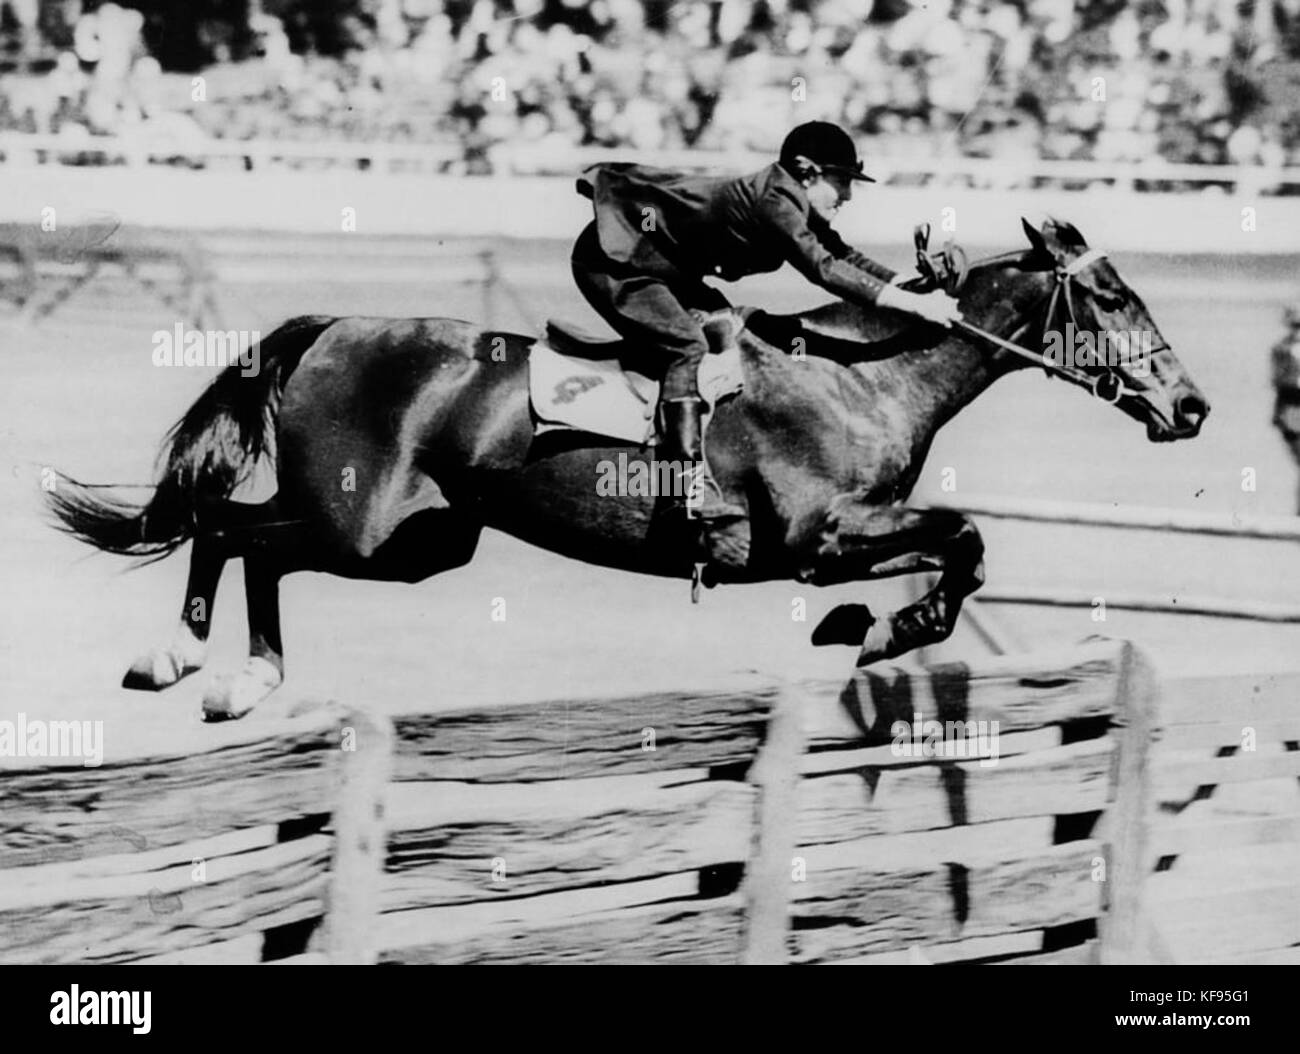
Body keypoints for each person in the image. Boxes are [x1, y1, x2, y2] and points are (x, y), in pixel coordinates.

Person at [572, 120, 963, 523]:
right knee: (688, 347)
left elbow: (844, 256)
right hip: (617, 264)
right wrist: (912, 306)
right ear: (807, 170)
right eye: (842, 181)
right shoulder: (775, 199)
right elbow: (823, 269)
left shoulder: (792, 197)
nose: (847, 194)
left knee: (729, 335)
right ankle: (679, 491)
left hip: (664, 267)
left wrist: (906, 285)